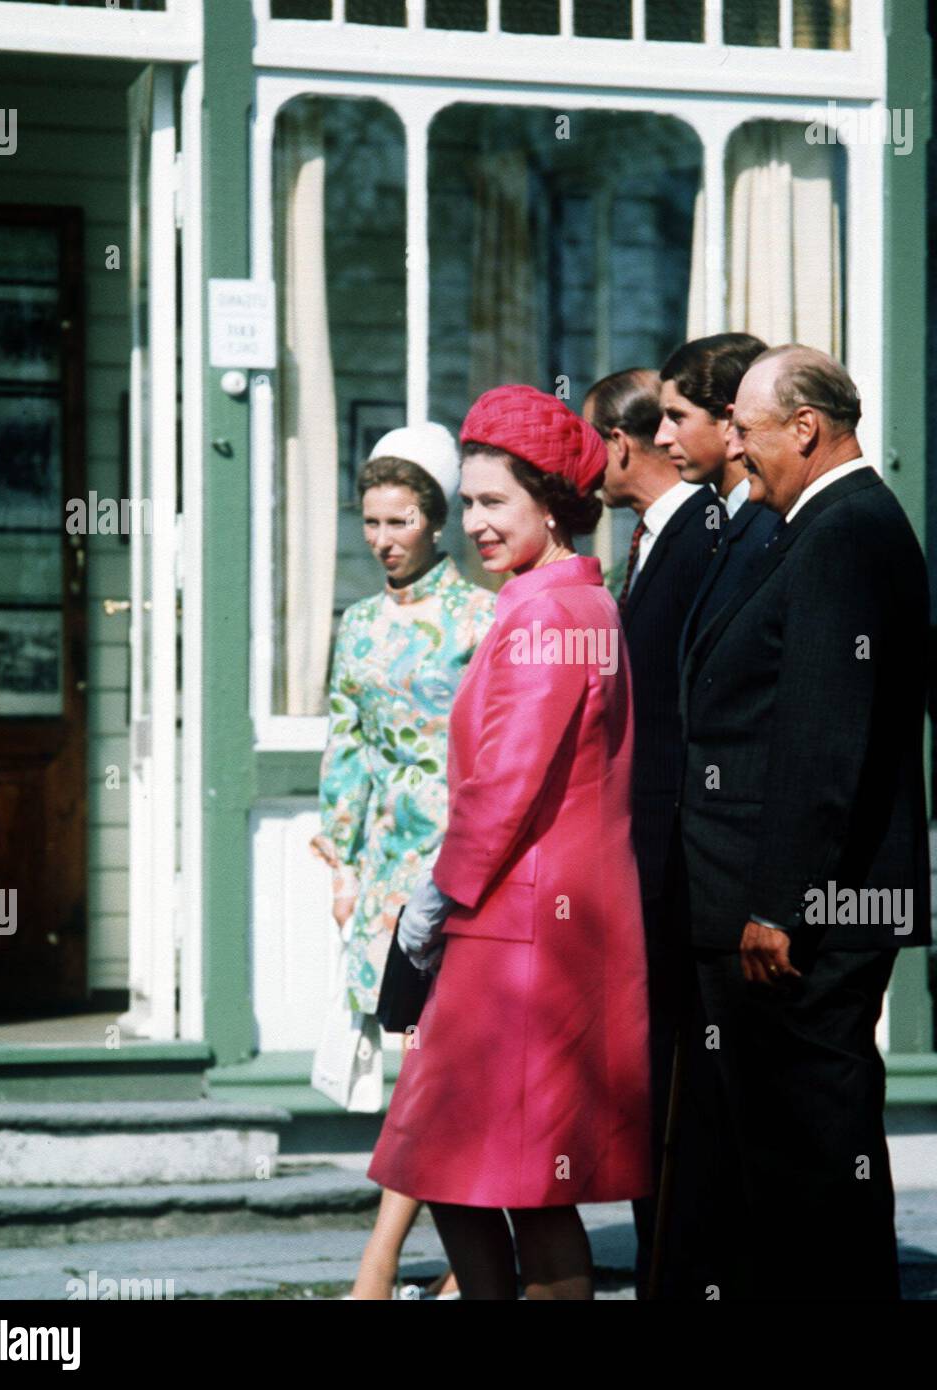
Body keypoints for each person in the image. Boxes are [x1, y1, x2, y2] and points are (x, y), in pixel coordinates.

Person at [367, 384, 651, 1300]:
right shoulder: (571, 603)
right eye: (470, 503)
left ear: (552, 505)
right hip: (533, 922)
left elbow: (503, 787)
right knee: (467, 1167)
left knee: (511, 1178)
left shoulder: (547, 614)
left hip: (521, 931)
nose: (477, 524)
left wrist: (432, 902)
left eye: (496, 502)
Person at [670, 344, 930, 1300]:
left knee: (813, 1160)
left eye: (744, 429)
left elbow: (824, 738)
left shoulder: (845, 531)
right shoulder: (812, 525)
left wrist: (780, 904)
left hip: (800, 916)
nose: (733, 448)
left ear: (806, 428)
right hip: (763, 896)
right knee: (774, 1161)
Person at [309, 423, 495, 1301]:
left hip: (463, 859)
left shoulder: (482, 616)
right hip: (388, 861)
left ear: (436, 521)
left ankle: (378, 1268)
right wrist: (342, 864)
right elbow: (345, 744)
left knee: (438, 1067)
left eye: (400, 521)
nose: (383, 540)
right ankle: (467, 1265)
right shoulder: (355, 624)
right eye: (371, 523)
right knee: (423, 1066)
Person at [583, 368, 713, 1299]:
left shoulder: (705, 536)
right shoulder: (649, 540)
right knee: (647, 1072)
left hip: (681, 856)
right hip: (643, 855)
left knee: (678, 1079)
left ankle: (684, 1270)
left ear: (617, 444)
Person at [653, 332, 782, 669]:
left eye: (677, 417)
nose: (661, 437)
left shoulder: (771, 527)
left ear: (729, 422)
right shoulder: (717, 519)